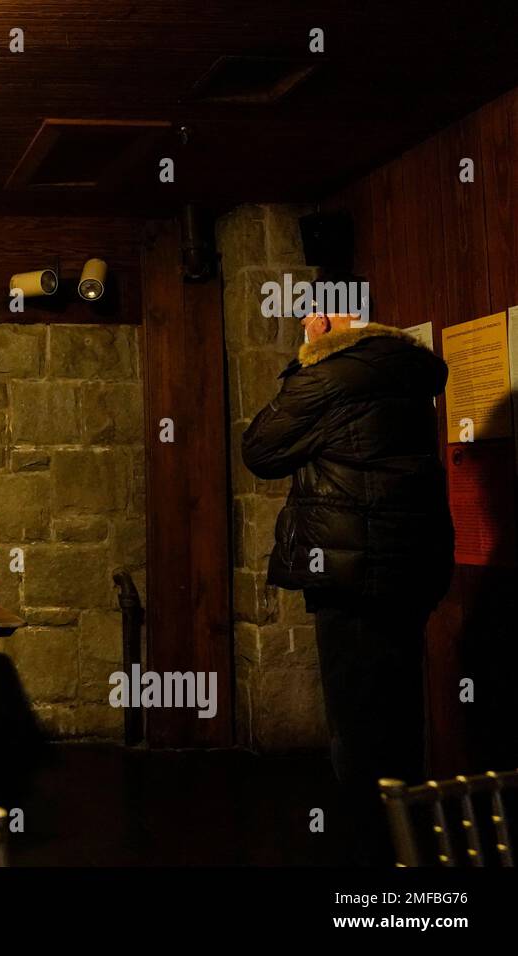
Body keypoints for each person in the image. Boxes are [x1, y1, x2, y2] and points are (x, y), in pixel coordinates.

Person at [241, 305, 454, 865]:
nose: (315, 319)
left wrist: (305, 356)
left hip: (349, 570)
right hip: (410, 564)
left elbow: (261, 449)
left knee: (356, 721)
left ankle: (371, 861)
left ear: (339, 330)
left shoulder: (331, 375)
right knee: (399, 712)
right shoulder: (406, 369)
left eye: (323, 316)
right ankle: (407, 842)